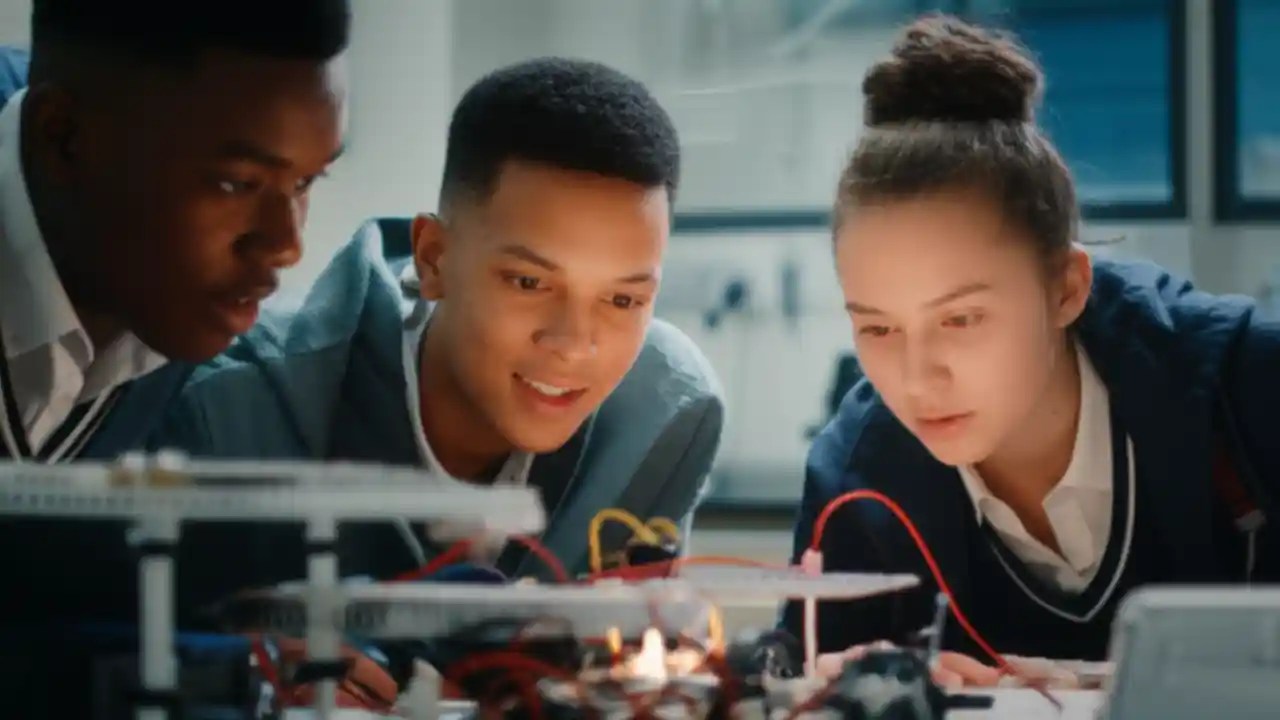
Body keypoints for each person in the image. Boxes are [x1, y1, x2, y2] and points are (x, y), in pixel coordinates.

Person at [783, 14, 1280, 684]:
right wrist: (838, 682)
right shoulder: (857, 476)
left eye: (960, 319)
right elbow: (801, 668)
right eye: (878, 328)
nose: (917, 376)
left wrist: (1096, 685)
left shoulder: (1249, 386)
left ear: (1066, 288)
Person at [154, 56, 720, 590]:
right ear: (433, 259)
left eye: (622, 301)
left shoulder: (669, 413)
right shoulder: (228, 403)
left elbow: (632, 646)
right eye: (529, 283)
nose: (572, 344)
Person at [0, 1, 348, 714]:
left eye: (307, 182)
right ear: (64, 139)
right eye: (235, 183)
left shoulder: (173, 296)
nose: (286, 245)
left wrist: (248, 663)